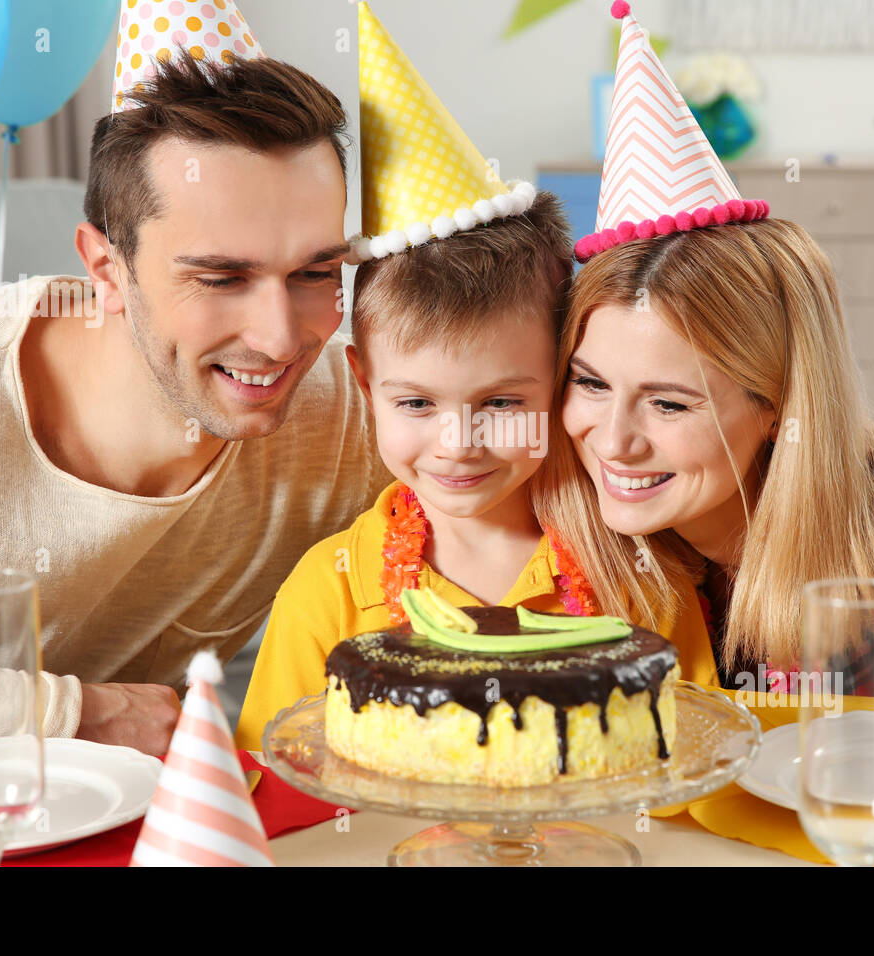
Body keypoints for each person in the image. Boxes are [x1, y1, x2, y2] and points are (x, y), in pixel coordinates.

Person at [0, 48, 391, 755]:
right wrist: (65, 712)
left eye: (315, 271)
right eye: (222, 278)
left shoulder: (348, 417)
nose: (282, 337)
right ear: (106, 269)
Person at [234, 5, 717, 750]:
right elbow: (270, 785)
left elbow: (687, 762)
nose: (458, 444)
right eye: (417, 402)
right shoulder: (327, 592)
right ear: (364, 384)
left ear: (560, 382)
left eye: (500, 401)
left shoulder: (643, 577)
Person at [533, 1, 874, 729]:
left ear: (778, 407)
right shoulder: (563, 539)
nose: (614, 442)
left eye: (670, 403)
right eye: (591, 383)